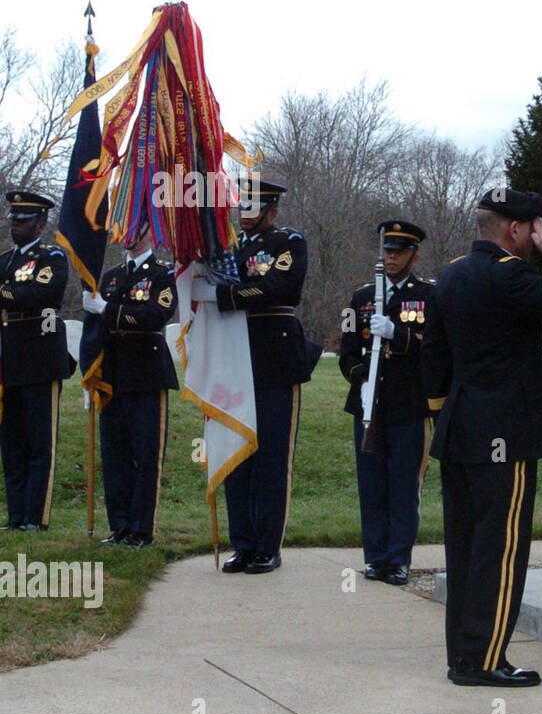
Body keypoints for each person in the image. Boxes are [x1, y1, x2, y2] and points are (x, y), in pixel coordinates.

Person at [421, 188, 542, 687]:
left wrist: (440, 415)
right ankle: (486, 659)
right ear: (515, 230)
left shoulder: (451, 275)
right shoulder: (510, 274)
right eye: (531, 229)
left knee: (466, 545)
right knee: (501, 548)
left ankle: (464, 656)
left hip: (459, 429)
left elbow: (434, 357)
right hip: (505, 433)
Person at [193, 178, 313, 574]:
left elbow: (279, 287)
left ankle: (267, 546)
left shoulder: (288, 242)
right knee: (236, 453)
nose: (244, 214)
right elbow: (248, 286)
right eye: (240, 207)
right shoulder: (226, 249)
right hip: (233, 359)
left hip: (274, 360)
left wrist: (225, 297)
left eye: (253, 207)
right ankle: (242, 543)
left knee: (271, 459)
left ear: (271, 210)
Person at [340, 220, 437, 587]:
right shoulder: (362, 297)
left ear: (414, 255)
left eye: (399, 251)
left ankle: (398, 559)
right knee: (371, 485)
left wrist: (400, 335)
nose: (391, 256)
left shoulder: (429, 295)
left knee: (402, 485)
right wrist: (359, 377)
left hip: (408, 403)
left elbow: (435, 346)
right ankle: (375, 557)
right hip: (369, 406)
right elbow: (347, 350)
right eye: (387, 250)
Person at [82, 223, 178, 547]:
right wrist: (90, 371)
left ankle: (140, 529)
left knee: (145, 455)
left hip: (147, 373)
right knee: (115, 455)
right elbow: (96, 331)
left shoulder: (163, 274)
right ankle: (120, 525)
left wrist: (108, 310)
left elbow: (155, 314)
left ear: (150, 232)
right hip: (113, 374)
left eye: (136, 227)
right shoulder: (110, 276)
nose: (128, 234)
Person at [0, 191, 73, 531]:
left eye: (23, 220)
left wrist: (7, 295)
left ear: (41, 222)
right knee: (13, 444)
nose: (16, 225)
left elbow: (39, 295)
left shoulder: (52, 257)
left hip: (40, 358)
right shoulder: (5, 261)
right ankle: (16, 517)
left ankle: (36, 517)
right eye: (13, 219)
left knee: (39, 443)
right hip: (10, 359)